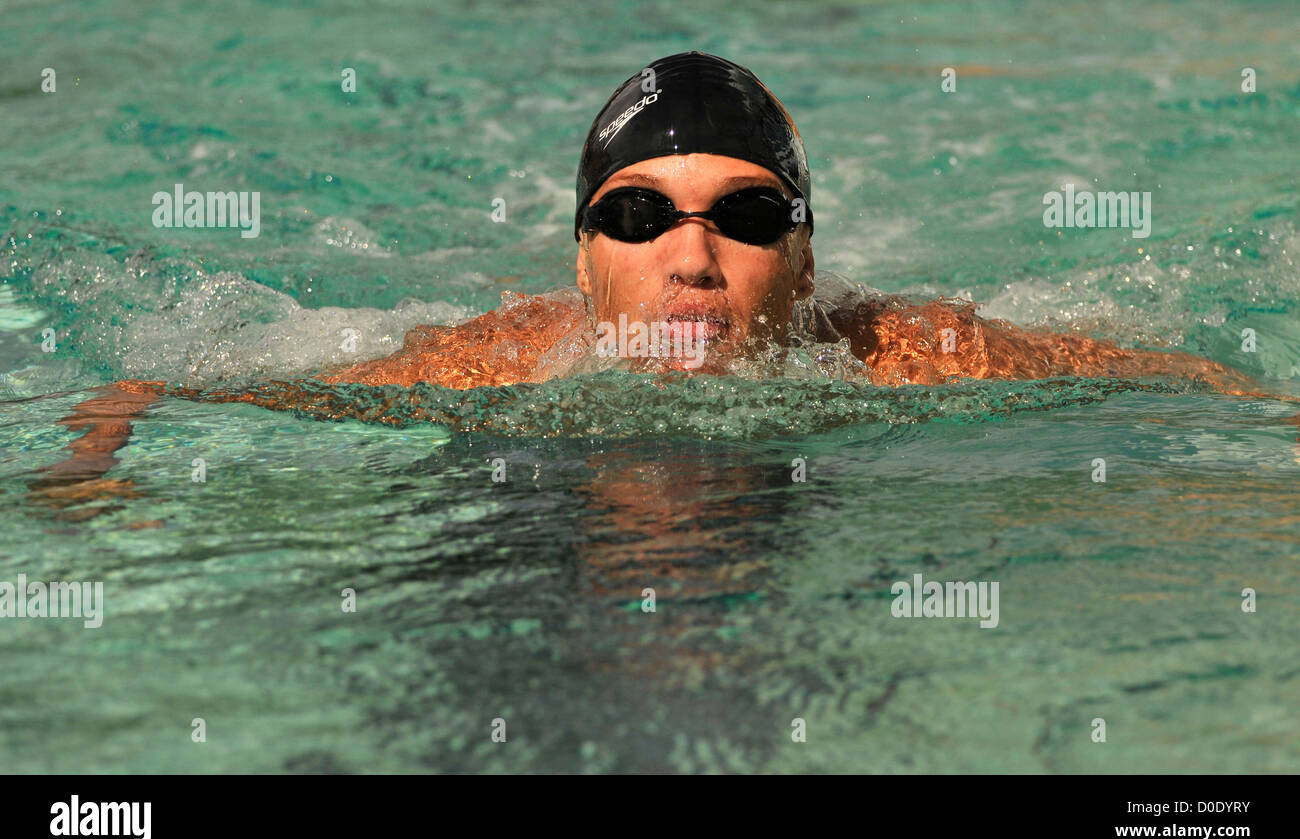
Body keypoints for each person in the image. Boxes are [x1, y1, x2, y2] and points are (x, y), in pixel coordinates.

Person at [30, 51, 1256, 512]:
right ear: (580, 258)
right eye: (635, 215)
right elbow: (190, 380)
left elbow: (1183, 376)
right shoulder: (502, 362)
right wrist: (99, 440)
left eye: (747, 212)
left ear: (807, 253)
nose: (691, 256)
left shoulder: (910, 352)